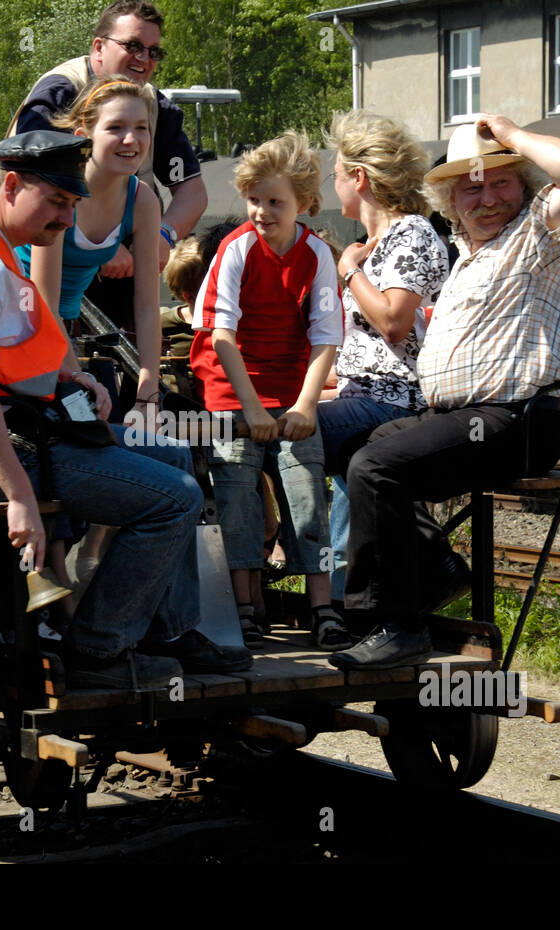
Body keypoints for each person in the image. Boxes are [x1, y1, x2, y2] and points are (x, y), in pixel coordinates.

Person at [0, 130, 249, 688]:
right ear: (11, 186)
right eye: (56, 202)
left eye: (72, 205)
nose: (63, 219)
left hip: (25, 436)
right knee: (176, 501)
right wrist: (20, 498)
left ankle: (168, 631)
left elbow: (12, 352)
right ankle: (100, 652)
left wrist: (70, 375)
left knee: (176, 456)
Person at [330, 115, 560, 671]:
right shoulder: (466, 256)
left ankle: (393, 623)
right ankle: (436, 569)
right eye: (471, 186)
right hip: (463, 416)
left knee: (377, 466)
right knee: (358, 444)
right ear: (452, 200)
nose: (487, 197)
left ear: (523, 185)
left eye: (500, 180)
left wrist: (511, 134)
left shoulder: (539, 234)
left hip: (516, 420)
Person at [189, 132, 347, 650]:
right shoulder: (236, 249)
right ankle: (243, 607)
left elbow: (326, 335)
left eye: (275, 202)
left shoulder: (317, 254)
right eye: (254, 199)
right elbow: (221, 335)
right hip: (233, 389)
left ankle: (321, 605)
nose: (261, 211)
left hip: (289, 386)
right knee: (238, 497)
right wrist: (251, 407)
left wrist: (305, 403)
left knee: (307, 497)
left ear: (304, 203)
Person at [317, 110, 450, 609]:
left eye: (335, 174)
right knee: (342, 463)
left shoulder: (409, 234)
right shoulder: (373, 245)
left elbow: (394, 323)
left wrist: (349, 271)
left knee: (283, 441)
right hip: (363, 394)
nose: (334, 186)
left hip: (394, 401)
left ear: (359, 177)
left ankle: (320, 582)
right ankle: (350, 598)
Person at [10, 1, 207, 332]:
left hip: (119, 257)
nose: (143, 58)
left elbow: (193, 191)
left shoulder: (155, 107)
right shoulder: (57, 94)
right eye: (132, 46)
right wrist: (101, 245)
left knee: (130, 353)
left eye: (153, 51)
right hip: (42, 253)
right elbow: (35, 190)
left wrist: (162, 235)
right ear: (98, 48)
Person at [16, 76, 164, 410]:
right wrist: (77, 378)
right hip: (19, 330)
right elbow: (43, 302)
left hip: (64, 332)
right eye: (115, 127)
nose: (131, 139)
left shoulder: (142, 201)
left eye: (142, 127)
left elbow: (147, 307)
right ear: (84, 136)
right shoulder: (60, 195)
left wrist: (148, 393)